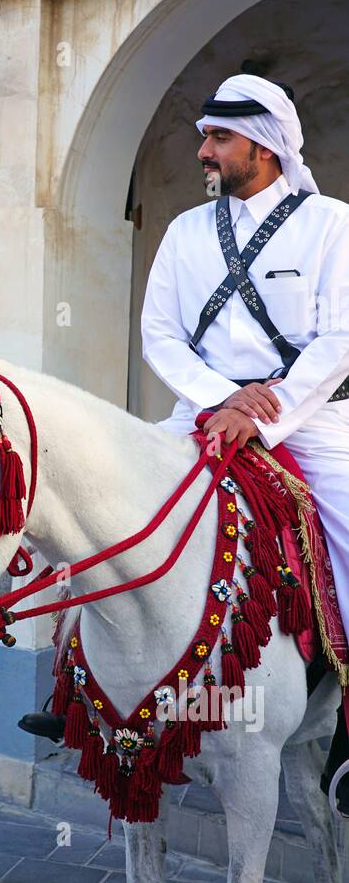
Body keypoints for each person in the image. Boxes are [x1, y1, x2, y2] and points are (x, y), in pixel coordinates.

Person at [140, 73, 349, 813]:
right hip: (200, 412)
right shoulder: (182, 232)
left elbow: (338, 341)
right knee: (117, 506)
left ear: (261, 146)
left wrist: (263, 415)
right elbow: (158, 336)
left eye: (217, 139)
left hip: (311, 419)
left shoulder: (330, 223)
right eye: (204, 136)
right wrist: (220, 400)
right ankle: (85, 686)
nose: (202, 151)